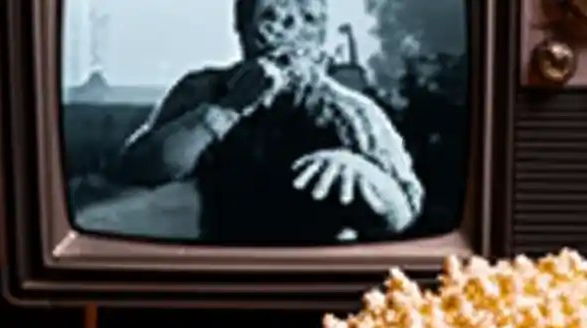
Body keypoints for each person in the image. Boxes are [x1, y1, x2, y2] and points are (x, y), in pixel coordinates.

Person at [115, 0, 424, 244]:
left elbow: (403, 214)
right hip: (222, 271)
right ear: (242, 25)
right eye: (272, 16)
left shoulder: (349, 111)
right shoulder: (205, 90)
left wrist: (364, 172)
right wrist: (228, 110)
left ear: (321, 31)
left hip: (317, 278)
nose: (289, 30)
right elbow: (137, 168)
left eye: (308, 18)